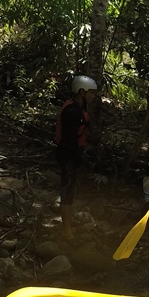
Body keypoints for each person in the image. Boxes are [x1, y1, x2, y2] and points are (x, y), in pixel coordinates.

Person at [55, 74, 96, 239]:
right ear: (81, 92)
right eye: (91, 92)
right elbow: (70, 138)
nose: (93, 96)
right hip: (67, 156)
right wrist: (76, 160)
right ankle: (67, 231)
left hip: (70, 154)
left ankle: (68, 224)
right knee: (66, 191)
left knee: (70, 191)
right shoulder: (72, 112)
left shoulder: (78, 109)